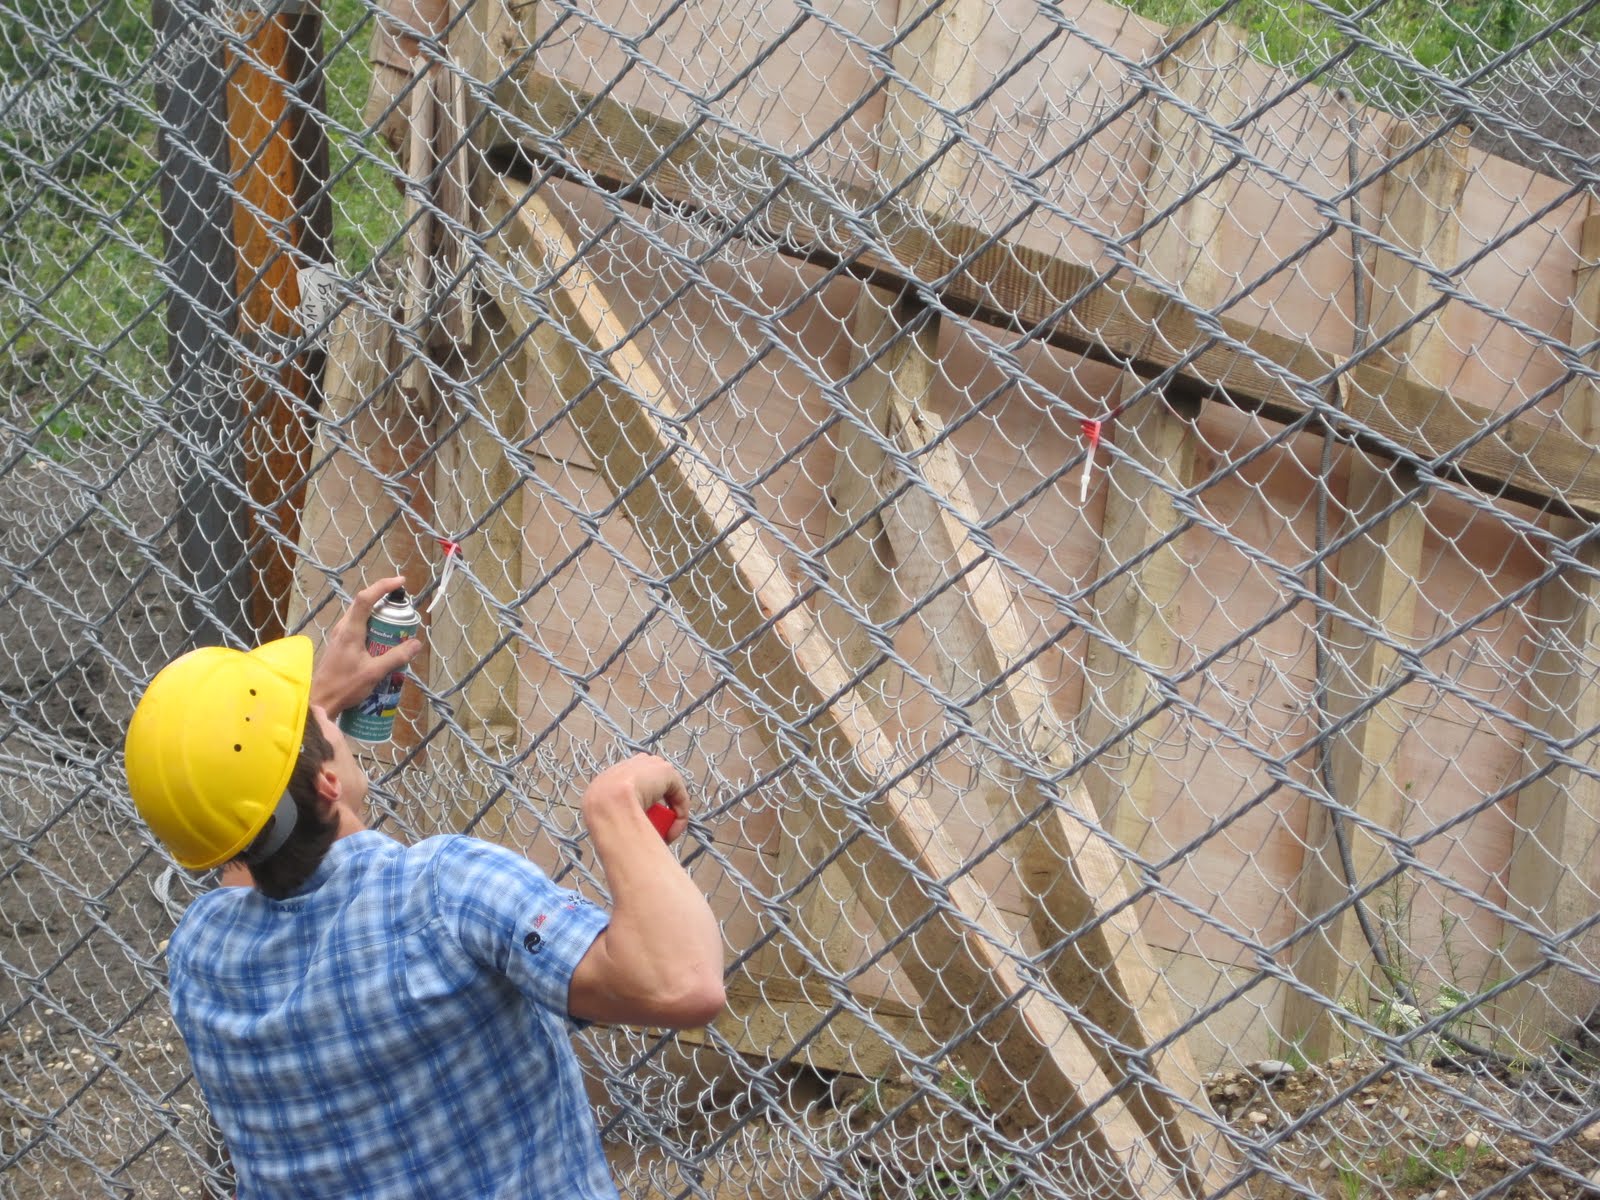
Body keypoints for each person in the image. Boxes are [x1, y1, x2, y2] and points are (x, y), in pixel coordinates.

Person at [124, 577, 727, 1200]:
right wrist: (615, 806)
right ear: (328, 784)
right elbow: (682, 981)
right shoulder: (443, 895)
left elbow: (248, 845)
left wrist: (314, 724)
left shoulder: (201, 954)